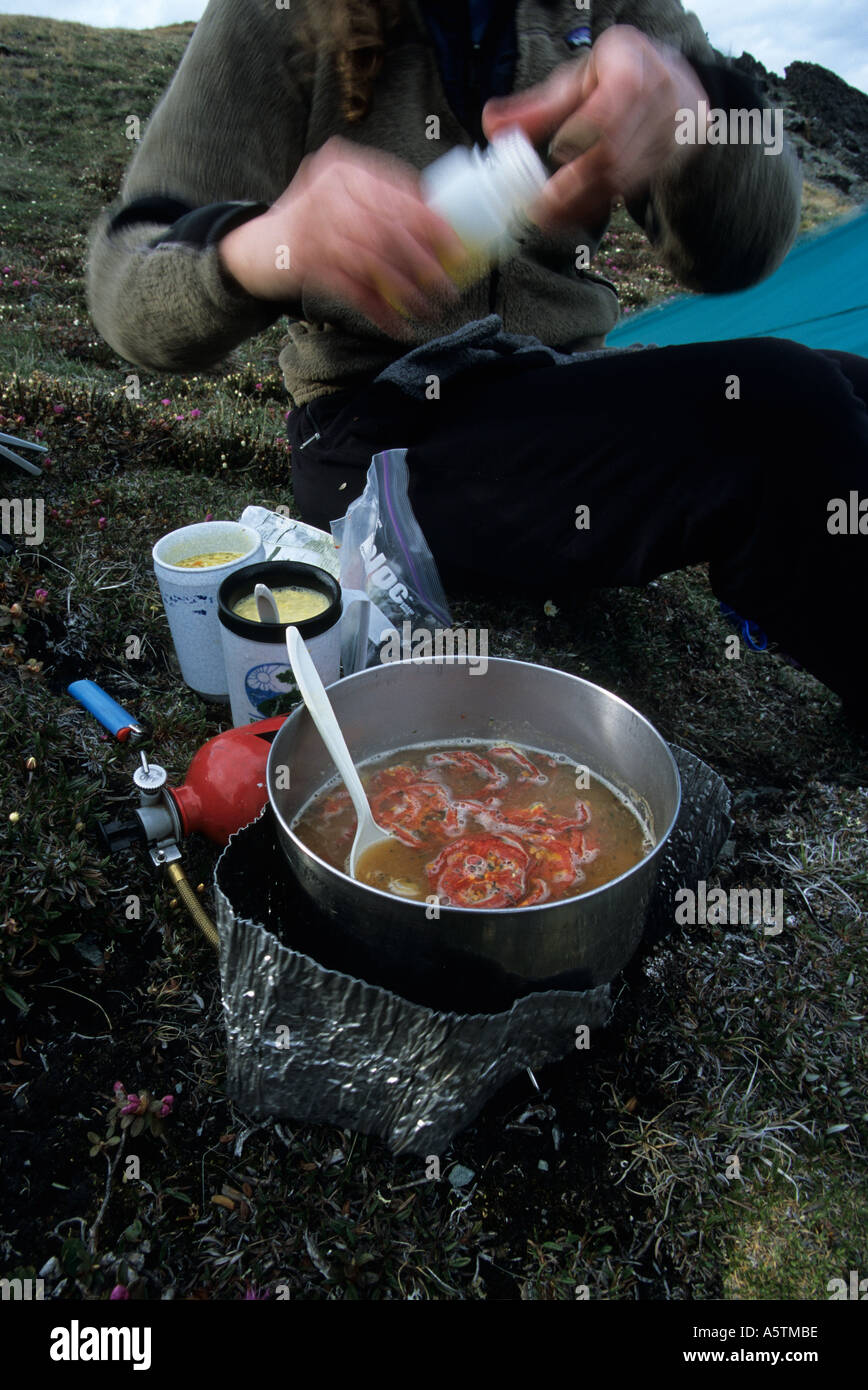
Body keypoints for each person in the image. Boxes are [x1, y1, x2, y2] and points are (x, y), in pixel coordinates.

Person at [86, 0, 868, 718]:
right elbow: (128, 287)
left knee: (848, 390)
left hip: (555, 402)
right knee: (787, 408)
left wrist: (695, 120)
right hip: (376, 441)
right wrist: (265, 248)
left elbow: (746, 251)